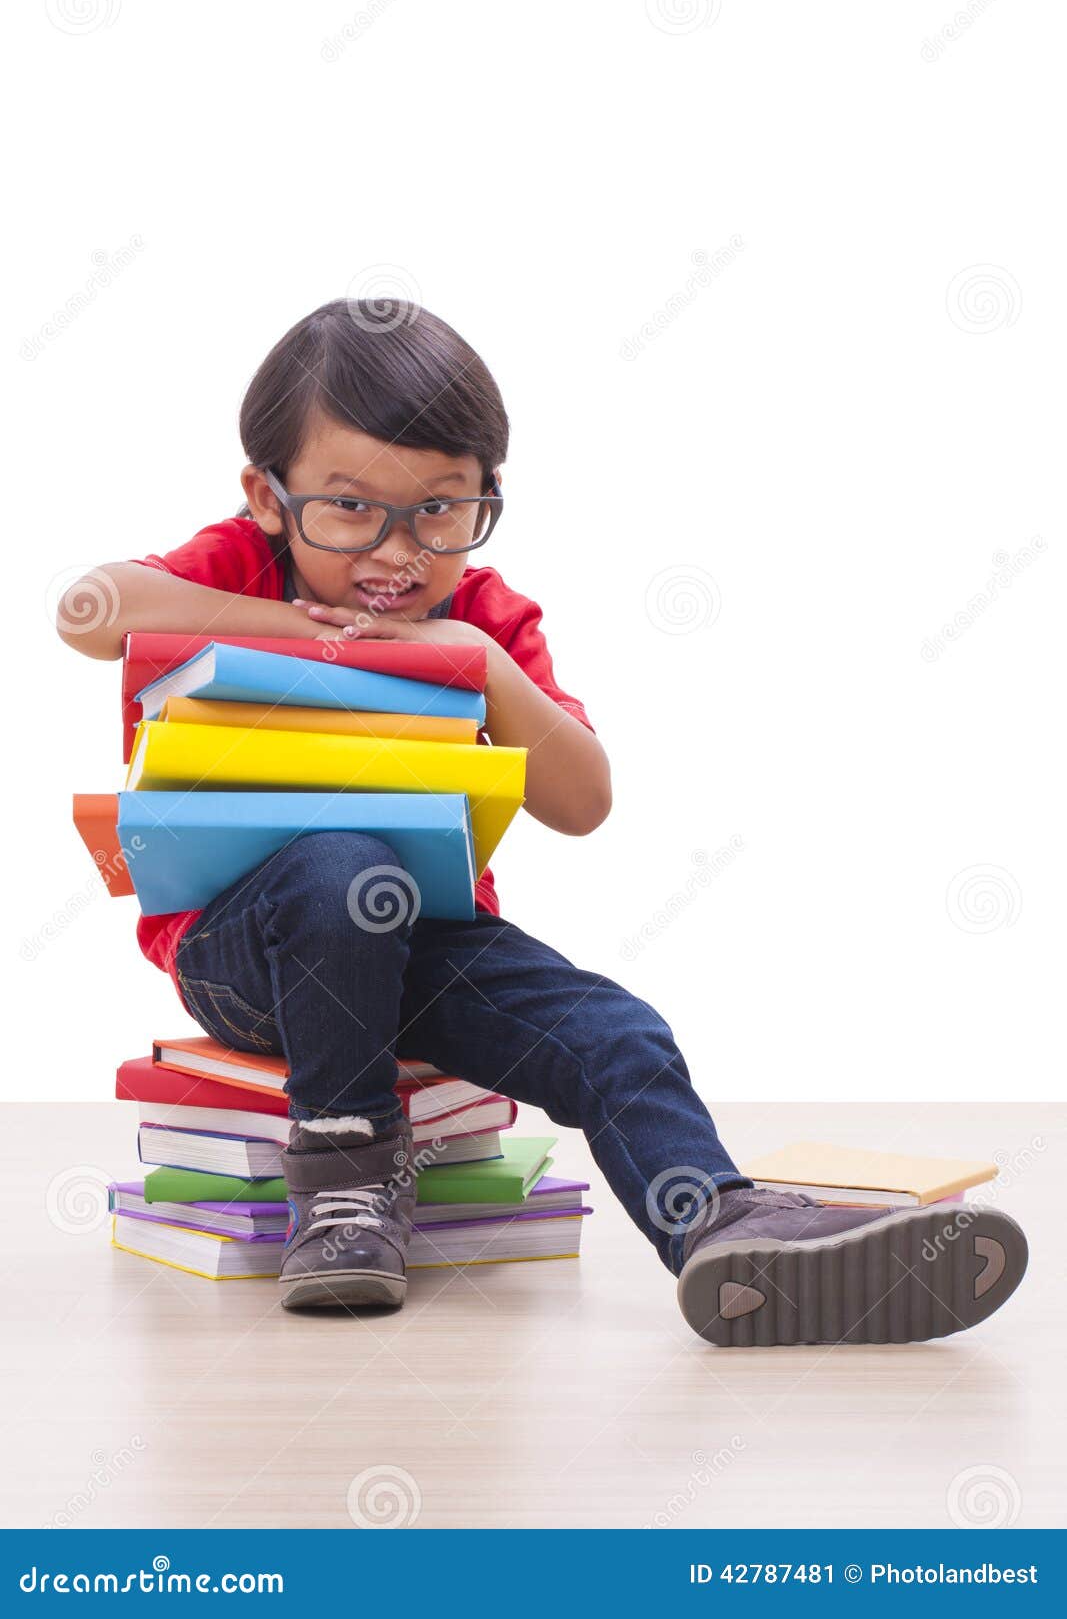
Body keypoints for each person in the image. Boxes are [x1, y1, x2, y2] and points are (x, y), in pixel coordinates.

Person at [58, 298, 1028, 1343]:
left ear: (485, 497)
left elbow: (582, 800)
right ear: (266, 496)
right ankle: (342, 1183)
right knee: (336, 867)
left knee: (614, 1029)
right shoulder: (233, 567)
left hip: (420, 938)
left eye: (438, 511)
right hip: (242, 954)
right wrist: (303, 629)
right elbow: (91, 610)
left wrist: (474, 668)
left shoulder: (483, 616)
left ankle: (719, 1226)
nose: (394, 552)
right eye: (346, 508)